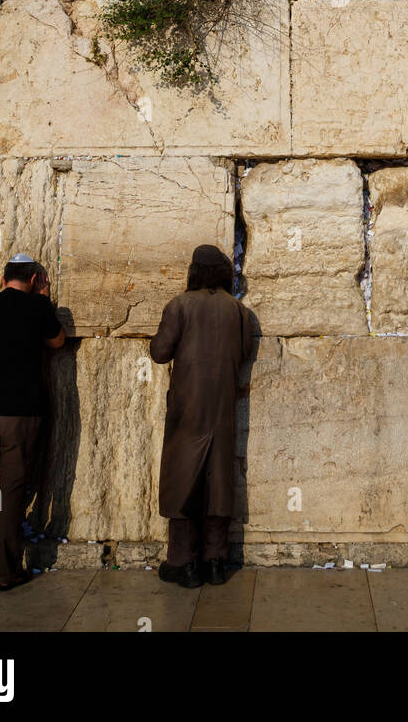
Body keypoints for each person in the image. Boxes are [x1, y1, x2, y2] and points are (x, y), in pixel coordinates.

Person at [0, 253, 65, 591]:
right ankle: (5, 572)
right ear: (35, 280)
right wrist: (44, 298)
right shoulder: (37, 308)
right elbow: (57, 341)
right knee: (9, 493)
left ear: (4, 279)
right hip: (18, 417)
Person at [150, 244, 253, 589]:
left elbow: (160, 352)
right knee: (218, 484)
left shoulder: (179, 305)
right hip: (221, 409)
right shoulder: (238, 311)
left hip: (187, 411)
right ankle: (214, 562)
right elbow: (242, 353)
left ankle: (183, 563)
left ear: (194, 272)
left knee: (183, 482)